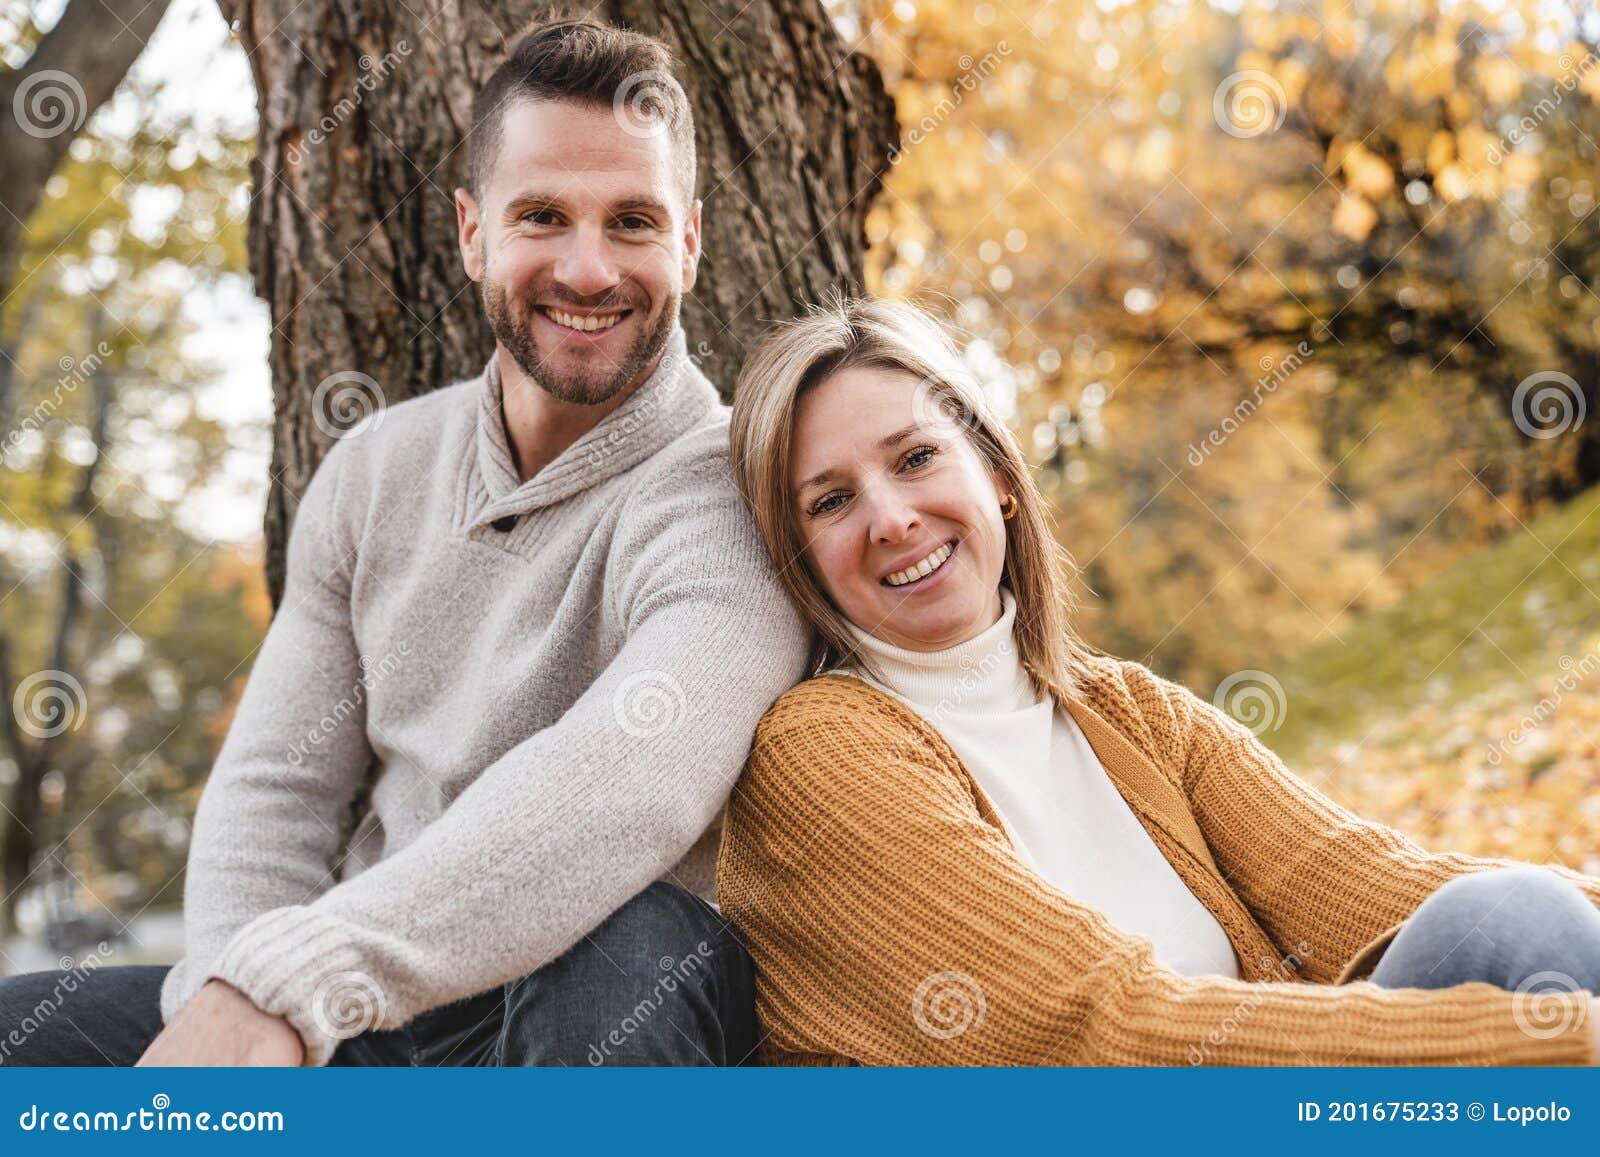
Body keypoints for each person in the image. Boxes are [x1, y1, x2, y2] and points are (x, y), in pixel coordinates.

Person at [0, 18, 808, 1068]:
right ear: (472, 232)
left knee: (633, 938)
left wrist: (298, 979)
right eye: (542, 215)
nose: (587, 266)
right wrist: (231, 1002)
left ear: (688, 244)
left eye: (633, 222)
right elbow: (275, 791)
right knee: (26, 1029)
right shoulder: (376, 468)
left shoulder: (736, 494)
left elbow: (627, 784)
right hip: (370, 1015)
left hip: (589, 1008)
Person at [716, 291, 1600, 1066]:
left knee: (1511, 917)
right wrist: (1553, 1042)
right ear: (801, 560)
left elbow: (1371, 884)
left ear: (995, 473)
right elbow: (1095, 1034)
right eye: (831, 501)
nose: (893, 517)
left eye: (915, 458)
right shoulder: (817, 757)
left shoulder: (1130, 712)